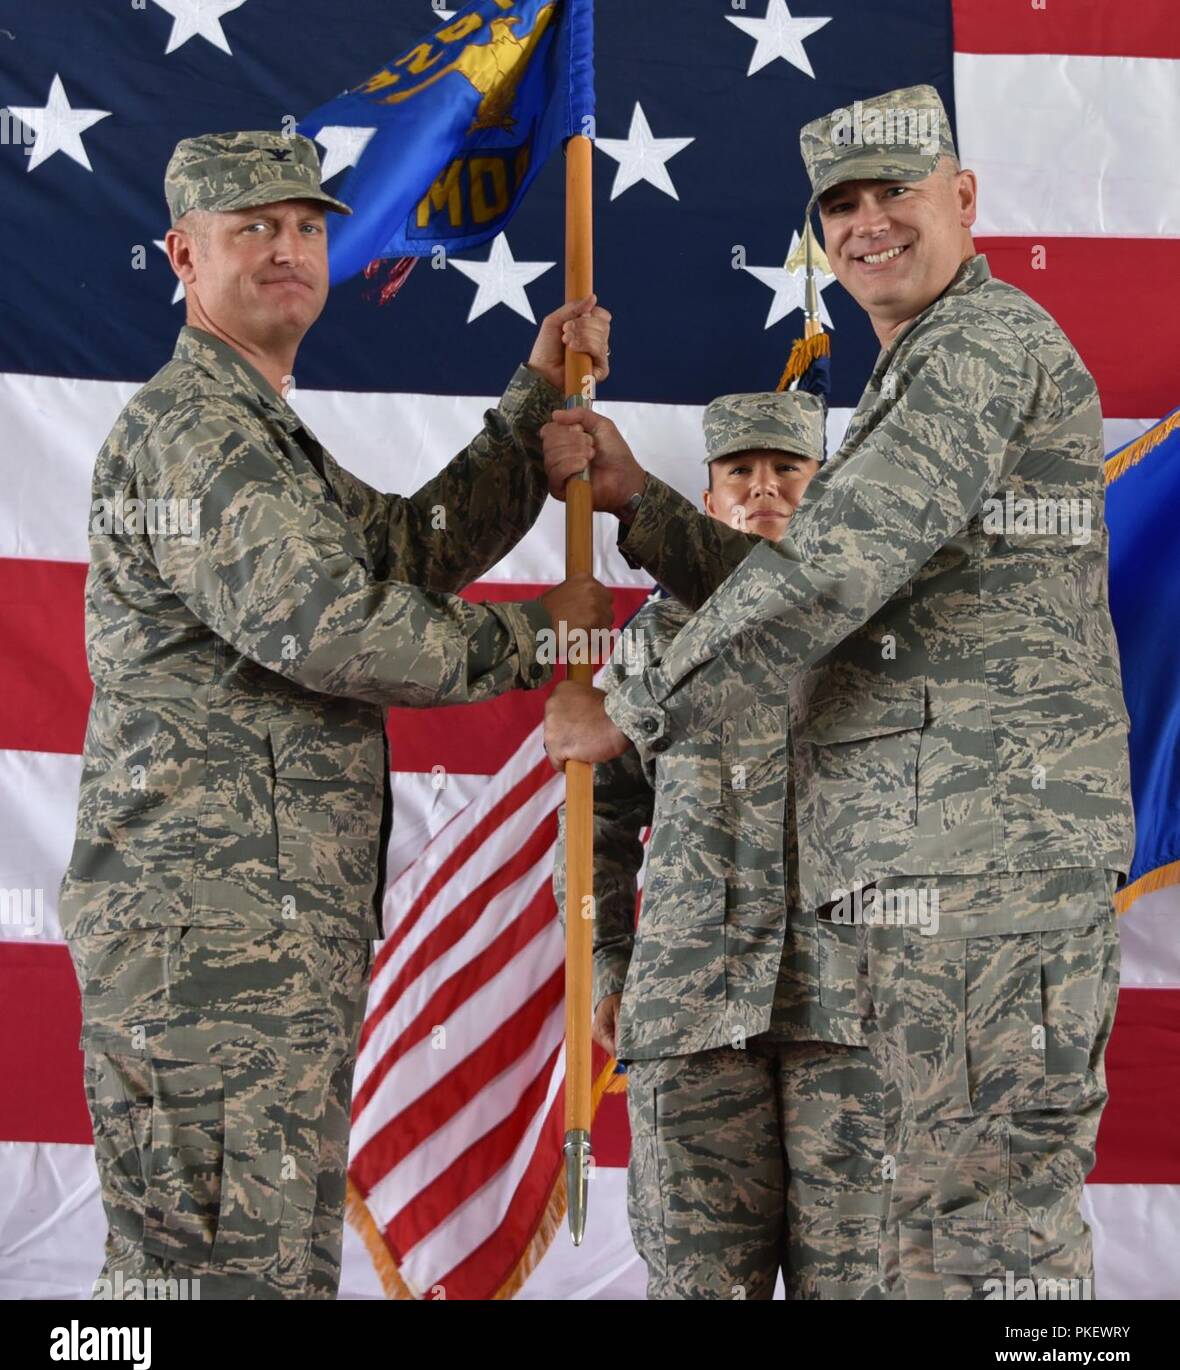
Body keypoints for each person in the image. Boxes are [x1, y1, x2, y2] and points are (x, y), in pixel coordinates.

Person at [541, 85, 1133, 1299]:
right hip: (928, 910)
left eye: (895, 194)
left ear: (962, 200)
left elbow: (828, 571)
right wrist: (649, 514)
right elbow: (829, 588)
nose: (868, 223)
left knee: (973, 1257)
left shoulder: (977, 350)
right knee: (925, 1246)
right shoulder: (929, 361)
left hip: (978, 900)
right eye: (841, 205)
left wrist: (630, 702)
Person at [59, 129, 613, 1300]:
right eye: (251, 226)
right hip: (203, 940)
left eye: (306, 226)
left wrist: (528, 412)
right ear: (182, 253)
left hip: (264, 930)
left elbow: (404, 555)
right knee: (199, 1273)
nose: (287, 248)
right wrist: (542, 638)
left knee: (265, 1266)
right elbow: (335, 627)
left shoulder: (261, 436)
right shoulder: (192, 433)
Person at [557, 390, 886, 1299]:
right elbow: (595, 821)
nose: (764, 488)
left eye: (788, 470)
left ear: (823, 493)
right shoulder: (648, 649)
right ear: (707, 502)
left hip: (855, 1016)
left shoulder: (879, 636)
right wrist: (609, 962)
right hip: (693, 1010)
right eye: (739, 472)